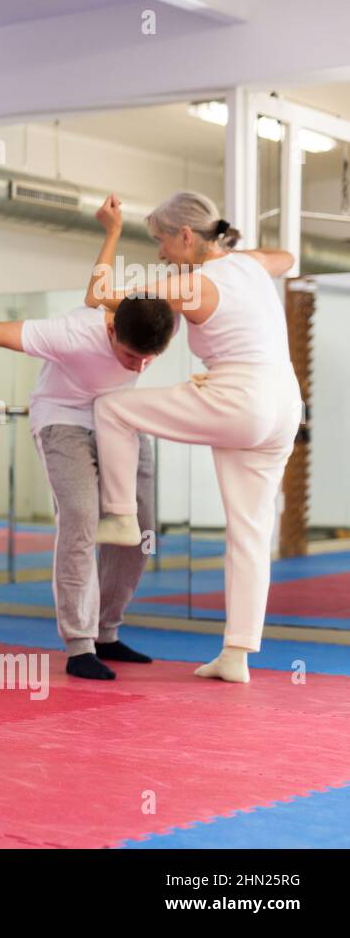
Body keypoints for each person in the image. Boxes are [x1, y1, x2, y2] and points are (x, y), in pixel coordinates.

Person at [86, 191, 302, 684]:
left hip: (239, 399)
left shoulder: (194, 287)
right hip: (284, 406)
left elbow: (99, 294)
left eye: (162, 240)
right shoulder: (249, 265)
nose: (160, 253)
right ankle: (237, 654)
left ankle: (120, 516)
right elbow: (287, 258)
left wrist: (111, 231)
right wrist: (247, 255)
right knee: (249, 533)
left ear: (186, 236)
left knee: (111, 408)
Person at [0, 279, 177, 678]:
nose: (138, 367)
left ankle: (106, 632)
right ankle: (80, 645)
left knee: (140, 529)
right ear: (112, 330)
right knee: (80, 518)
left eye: (149, 360)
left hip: (120, 420)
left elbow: (101, 282)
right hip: (64, 419)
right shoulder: (73, 333)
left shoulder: (160, 320)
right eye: (132, 357)